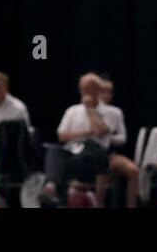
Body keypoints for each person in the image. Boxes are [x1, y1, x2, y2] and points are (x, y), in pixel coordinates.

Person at [55, 73, 138, 208]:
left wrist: (106, 135)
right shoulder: (74, 110)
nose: (106, 95)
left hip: (106, 151)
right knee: (58, 153)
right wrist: (88, 133)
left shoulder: (112, 112)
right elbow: (62, 135)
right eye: (104, 92)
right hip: (80, 150)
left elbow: (110, 135)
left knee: (123, 168)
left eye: (109, 92)